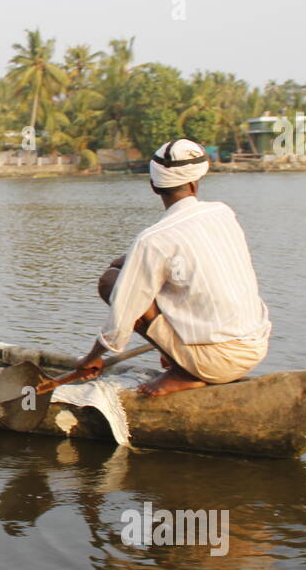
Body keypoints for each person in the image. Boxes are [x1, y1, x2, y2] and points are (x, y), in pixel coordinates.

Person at [78, 138, 271, 397]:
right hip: (256, 347)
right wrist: (130, 260)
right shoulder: (222, 213)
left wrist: (94, 356)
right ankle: (177, 355)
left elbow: (122, 317)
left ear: (154, 187)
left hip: (215, 363)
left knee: (112, 282)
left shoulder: (154, 239)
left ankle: (184, 371)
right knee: (131, 271)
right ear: (195, 182)